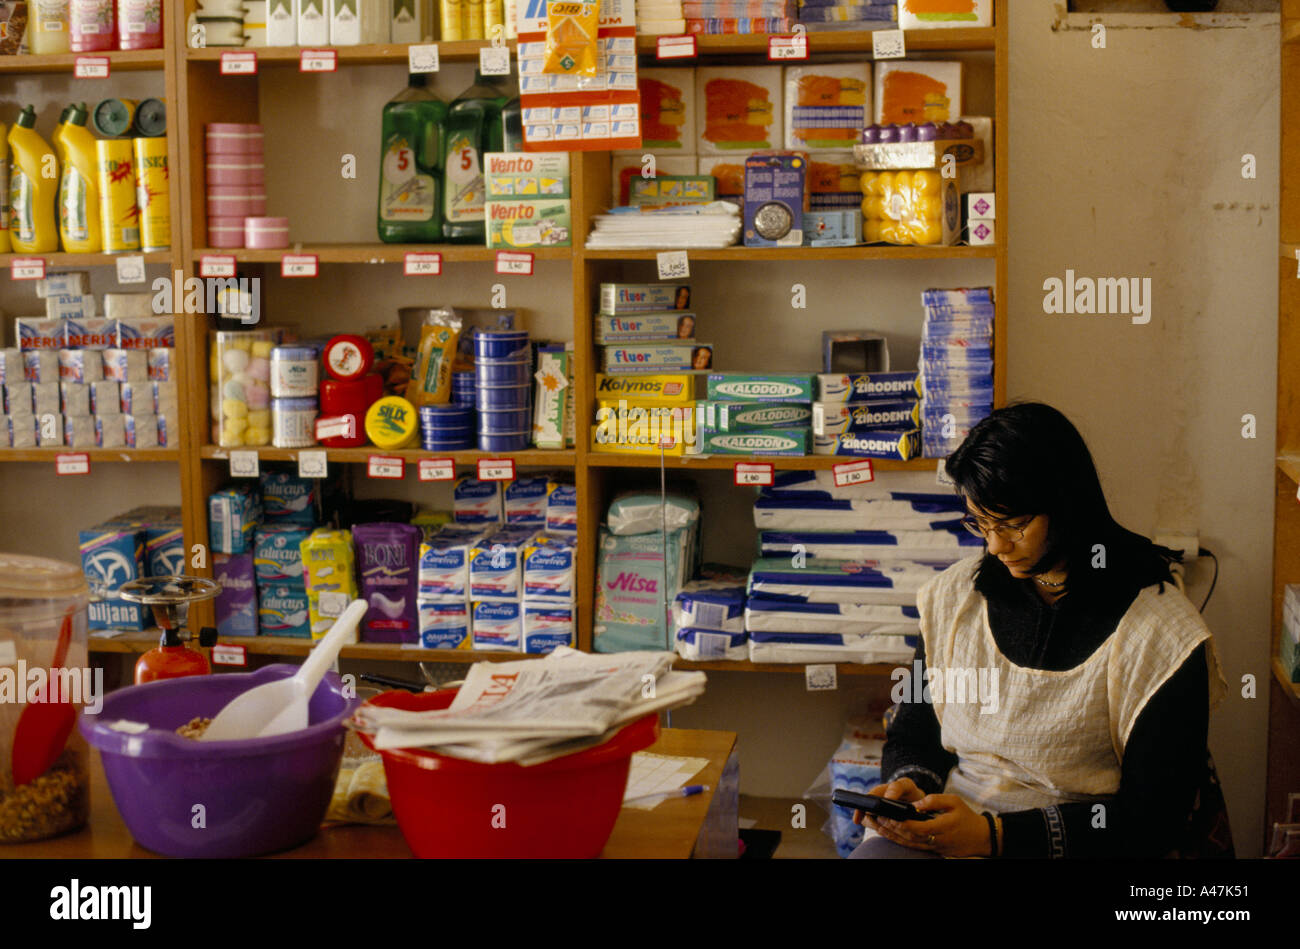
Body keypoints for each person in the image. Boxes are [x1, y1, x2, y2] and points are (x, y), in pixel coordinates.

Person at [849, 403, 1227, 859]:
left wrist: (994, 838)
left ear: (1066, 505)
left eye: (1013, 524)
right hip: (951, 827)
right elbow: (914, 732)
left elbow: (1152, 820)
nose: (995, 545)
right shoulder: (953, 600)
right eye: (980, 522)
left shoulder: (1161, 637)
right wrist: (912, 786)